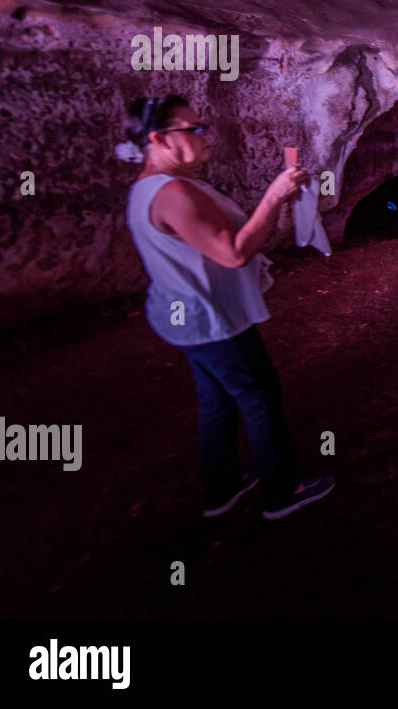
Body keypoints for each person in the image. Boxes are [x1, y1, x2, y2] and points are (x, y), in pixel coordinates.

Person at [117, 95, 335, 520]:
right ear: (160, 138)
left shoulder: (146, 188)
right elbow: (233, 253)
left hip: (184, 316)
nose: (206, 136)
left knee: (215, 399)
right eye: (194, 129)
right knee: (259, 396)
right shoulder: (173, 191)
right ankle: (280, 491)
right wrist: (273, 197)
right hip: (212, 319)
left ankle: (222, 489)